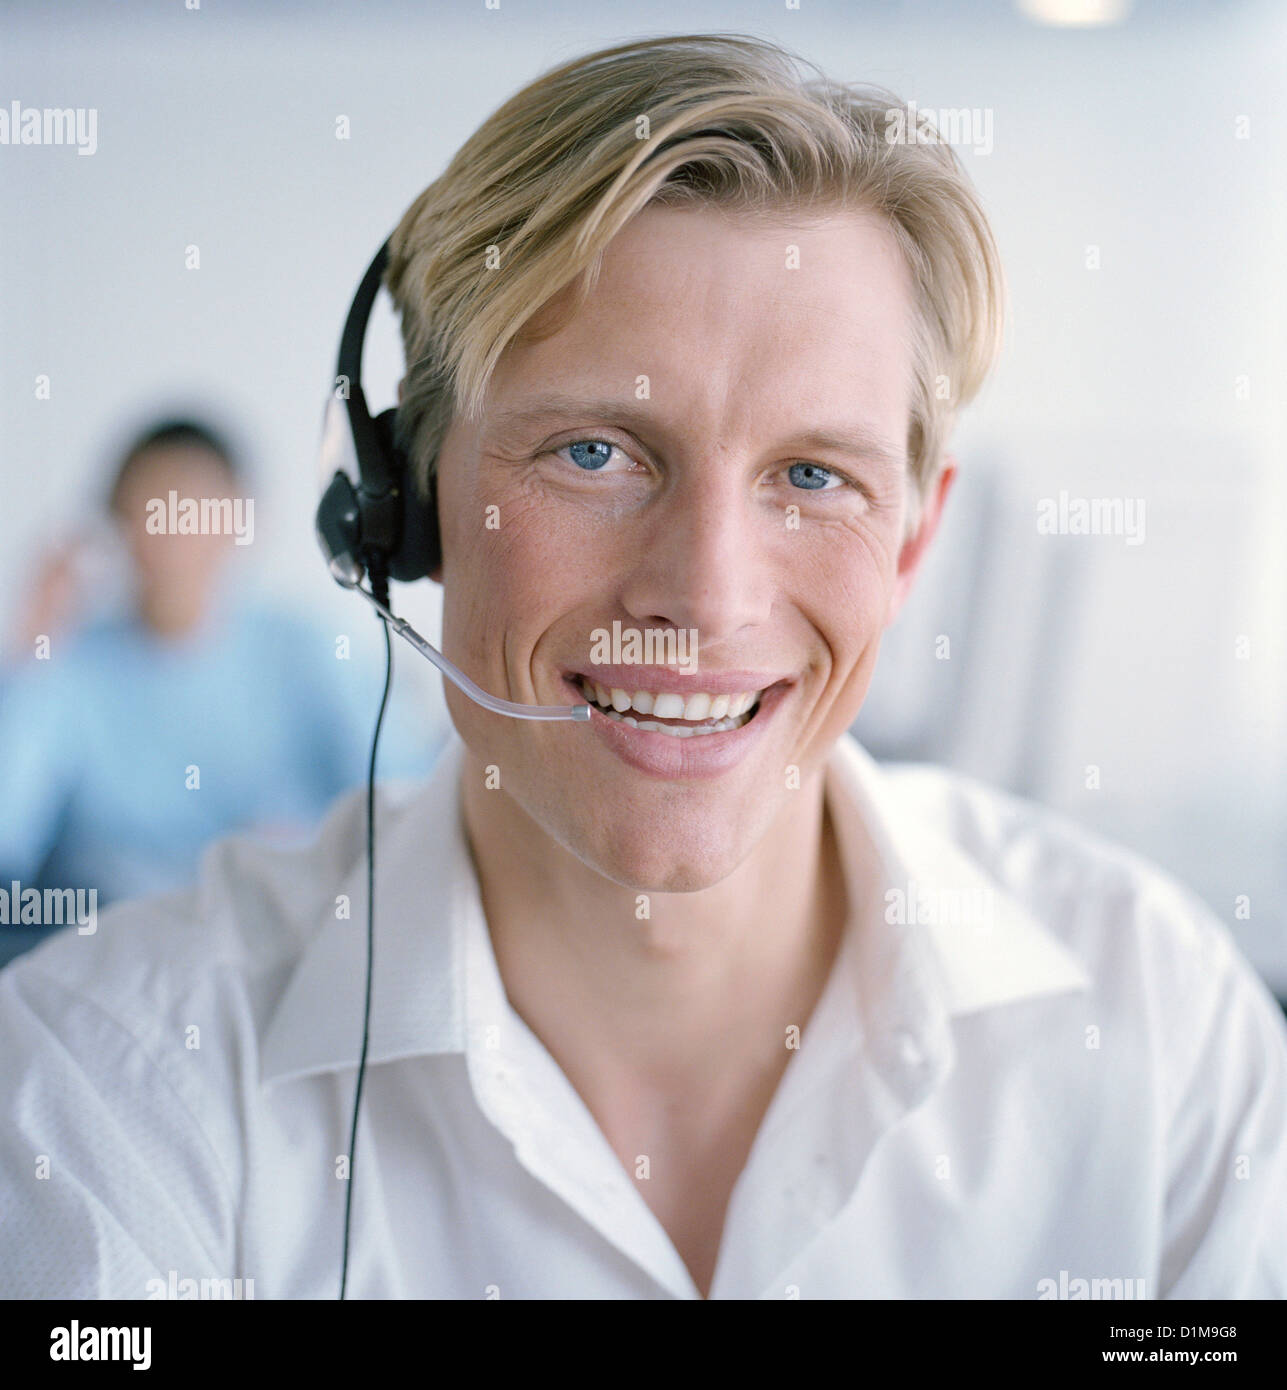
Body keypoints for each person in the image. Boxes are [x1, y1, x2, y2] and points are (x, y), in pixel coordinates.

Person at [1, 33, 1284, 1300]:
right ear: (413, 509)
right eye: (596, 453)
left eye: (813, 476)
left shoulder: (1168, 1032)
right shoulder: (110, 1088)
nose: (708, 594)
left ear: (911, 542)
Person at [0, 418, 437, 963]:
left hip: (288, 943)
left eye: (195, 508)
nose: (174, 535)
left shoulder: (304, 650)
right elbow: (8, 840)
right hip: (122, 954)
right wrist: (30, 652)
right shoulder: (69, 666)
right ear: (116, 524)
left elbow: (407, 798)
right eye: (150, 509)